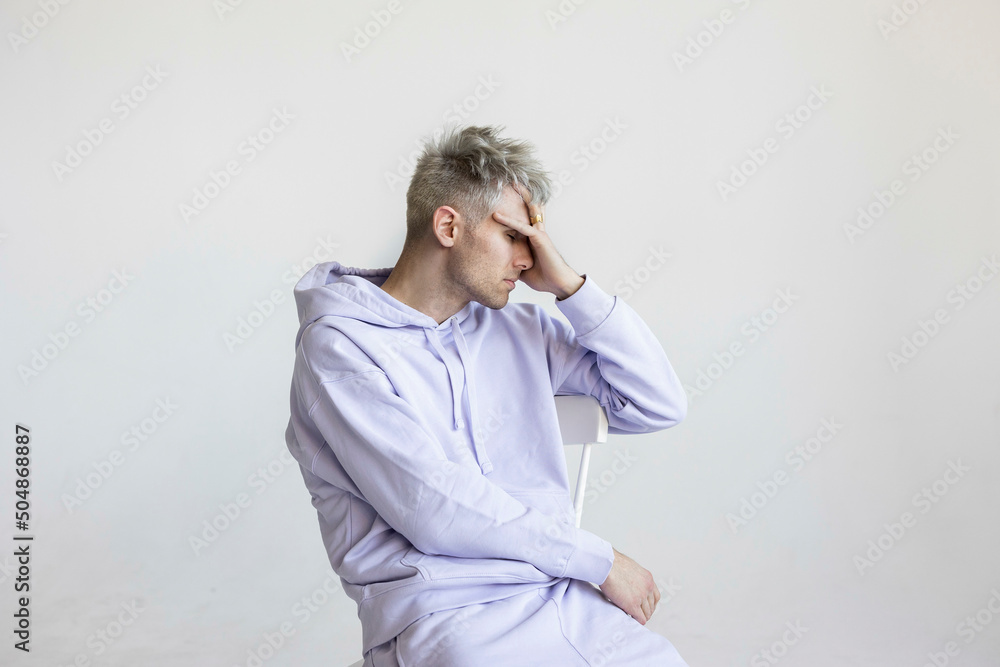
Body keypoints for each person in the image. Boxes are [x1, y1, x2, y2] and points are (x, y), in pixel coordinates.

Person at [283, 124, 690, 666]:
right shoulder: (340, 347)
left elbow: (657, 403)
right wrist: (601, 560)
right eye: (514, 236)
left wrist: (571, 287)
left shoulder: (520, 329)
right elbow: (431, 506)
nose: (528, 258)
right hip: (442, 613)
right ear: (449, 226)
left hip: (559, 591)